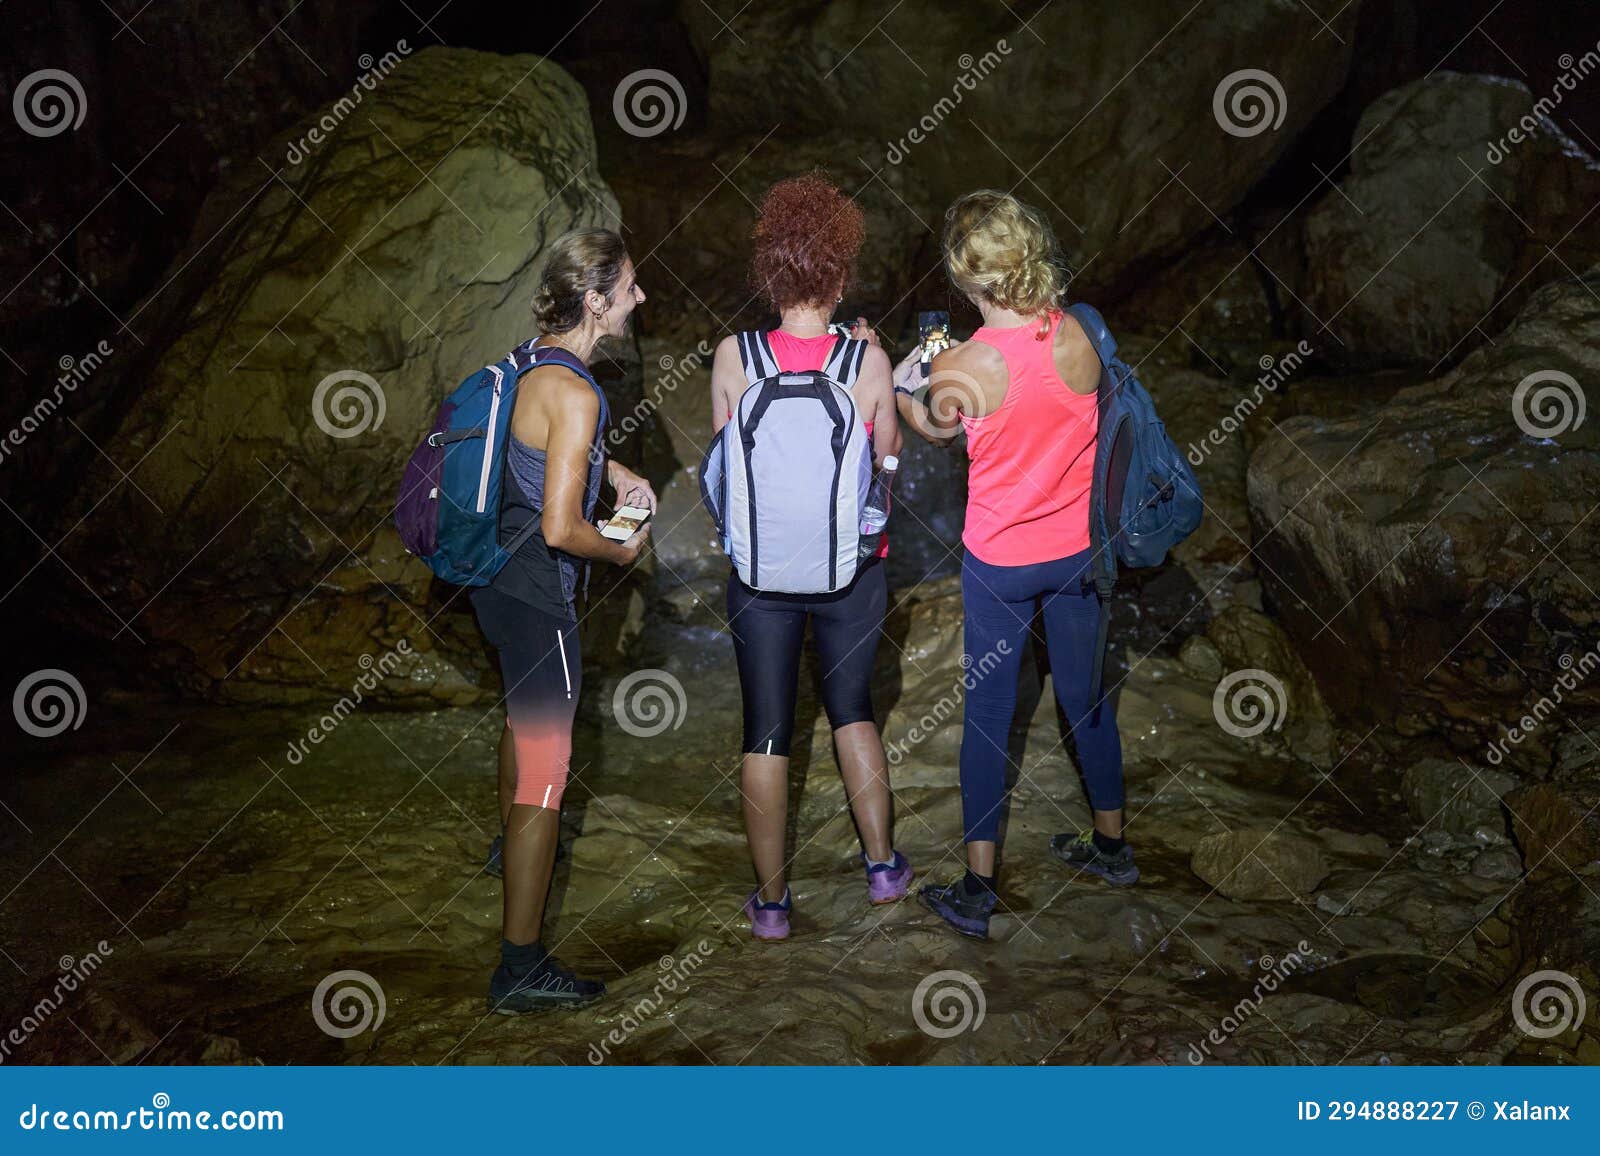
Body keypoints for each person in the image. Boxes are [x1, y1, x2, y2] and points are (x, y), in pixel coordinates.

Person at [895, 190, 1132, 942]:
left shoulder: (962, 365)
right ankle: (1112, 847)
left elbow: (935, 429)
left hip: (999, 562)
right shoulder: (1083, 335)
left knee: (989, 721)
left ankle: (976, 890)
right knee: (1087, 698)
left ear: (968, 282)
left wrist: (908, 385)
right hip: (1076, 554)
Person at [709, 173, 912, 941]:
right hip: (850, 573)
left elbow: (723, 466)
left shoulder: (735, 354)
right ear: (839, 272)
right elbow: (889, 462)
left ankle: (770, 905)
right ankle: (884, 868)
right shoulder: (865, 364)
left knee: (766, 729)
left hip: (759, 576)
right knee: (852, 713)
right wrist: (880, 370)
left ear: (772, 269)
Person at [477, 227, 655, 1011]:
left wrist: (609, 468)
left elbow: (537, 441)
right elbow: (560, 528)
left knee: (520, 717)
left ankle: (501, 850)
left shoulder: (532, 358)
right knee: (549, 777)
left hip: (494, 579)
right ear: (596, 299)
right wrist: (621, 555)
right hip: (540, 587)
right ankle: (520, 966)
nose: (640, 299)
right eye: (630, 288)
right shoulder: (581, 392)